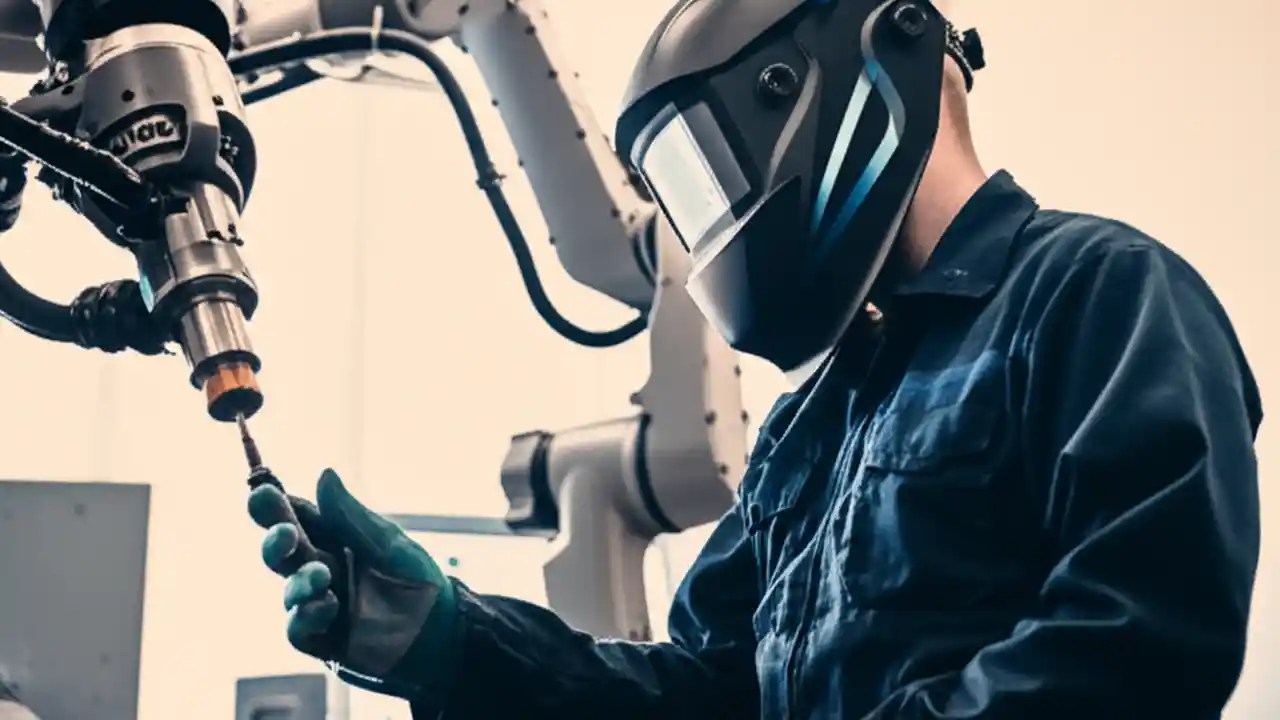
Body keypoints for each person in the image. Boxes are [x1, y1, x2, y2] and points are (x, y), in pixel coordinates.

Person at [247, 1, 1263, 717]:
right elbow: (707, 693)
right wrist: (455, 646)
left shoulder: (1096, 294)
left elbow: (1135, 646)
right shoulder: (807, 426)